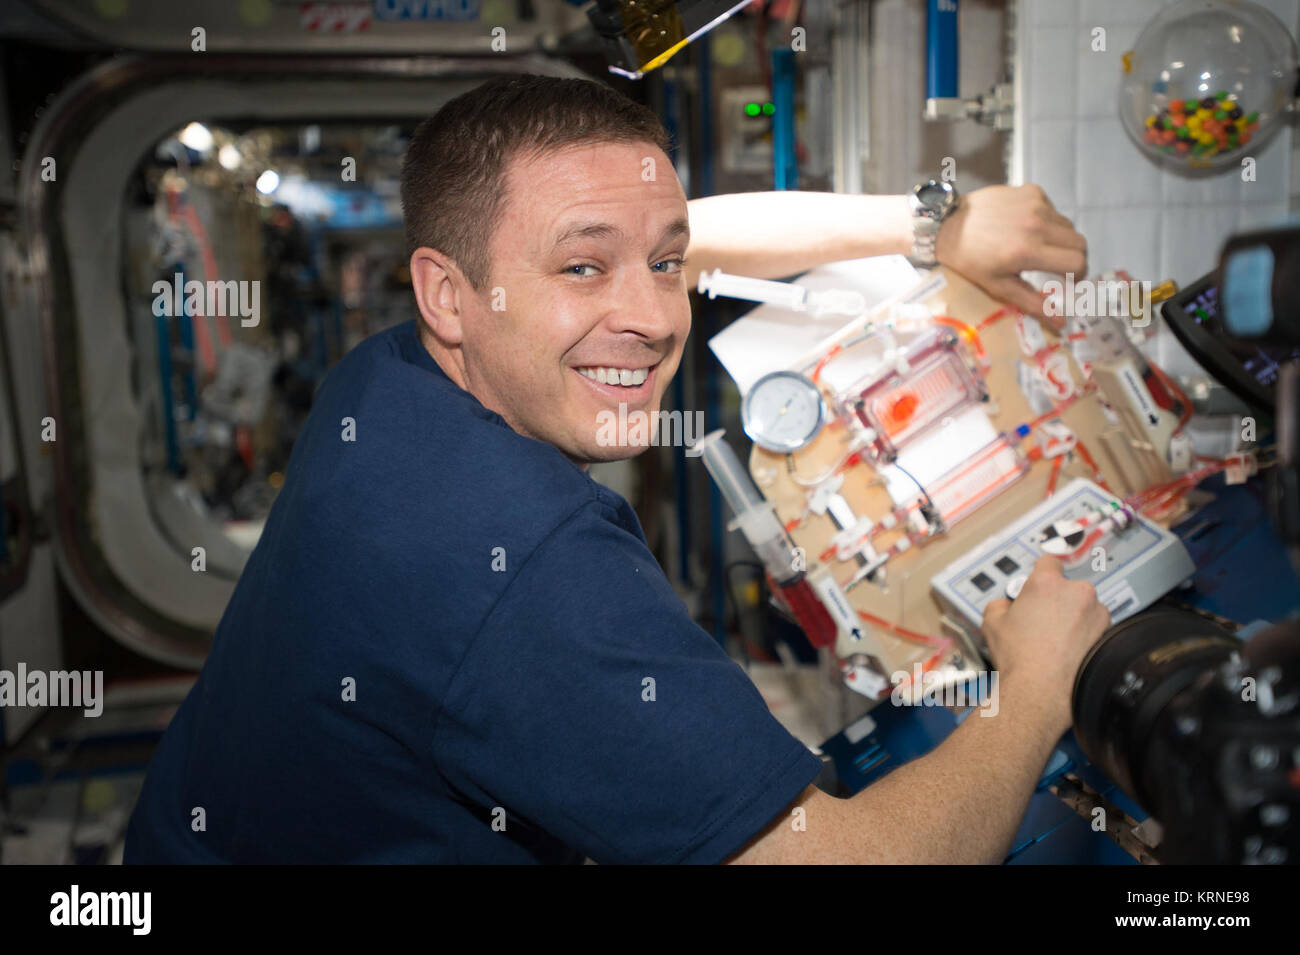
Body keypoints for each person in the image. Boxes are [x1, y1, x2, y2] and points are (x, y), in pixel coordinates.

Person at [124, 73, 1107, 864]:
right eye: (583, 269)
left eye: (666, 267)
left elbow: (663, 228)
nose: (654, 316)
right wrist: (1036, 683)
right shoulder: (531, 572)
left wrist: (935, 226)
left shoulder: (386, 375)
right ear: (447, 293)